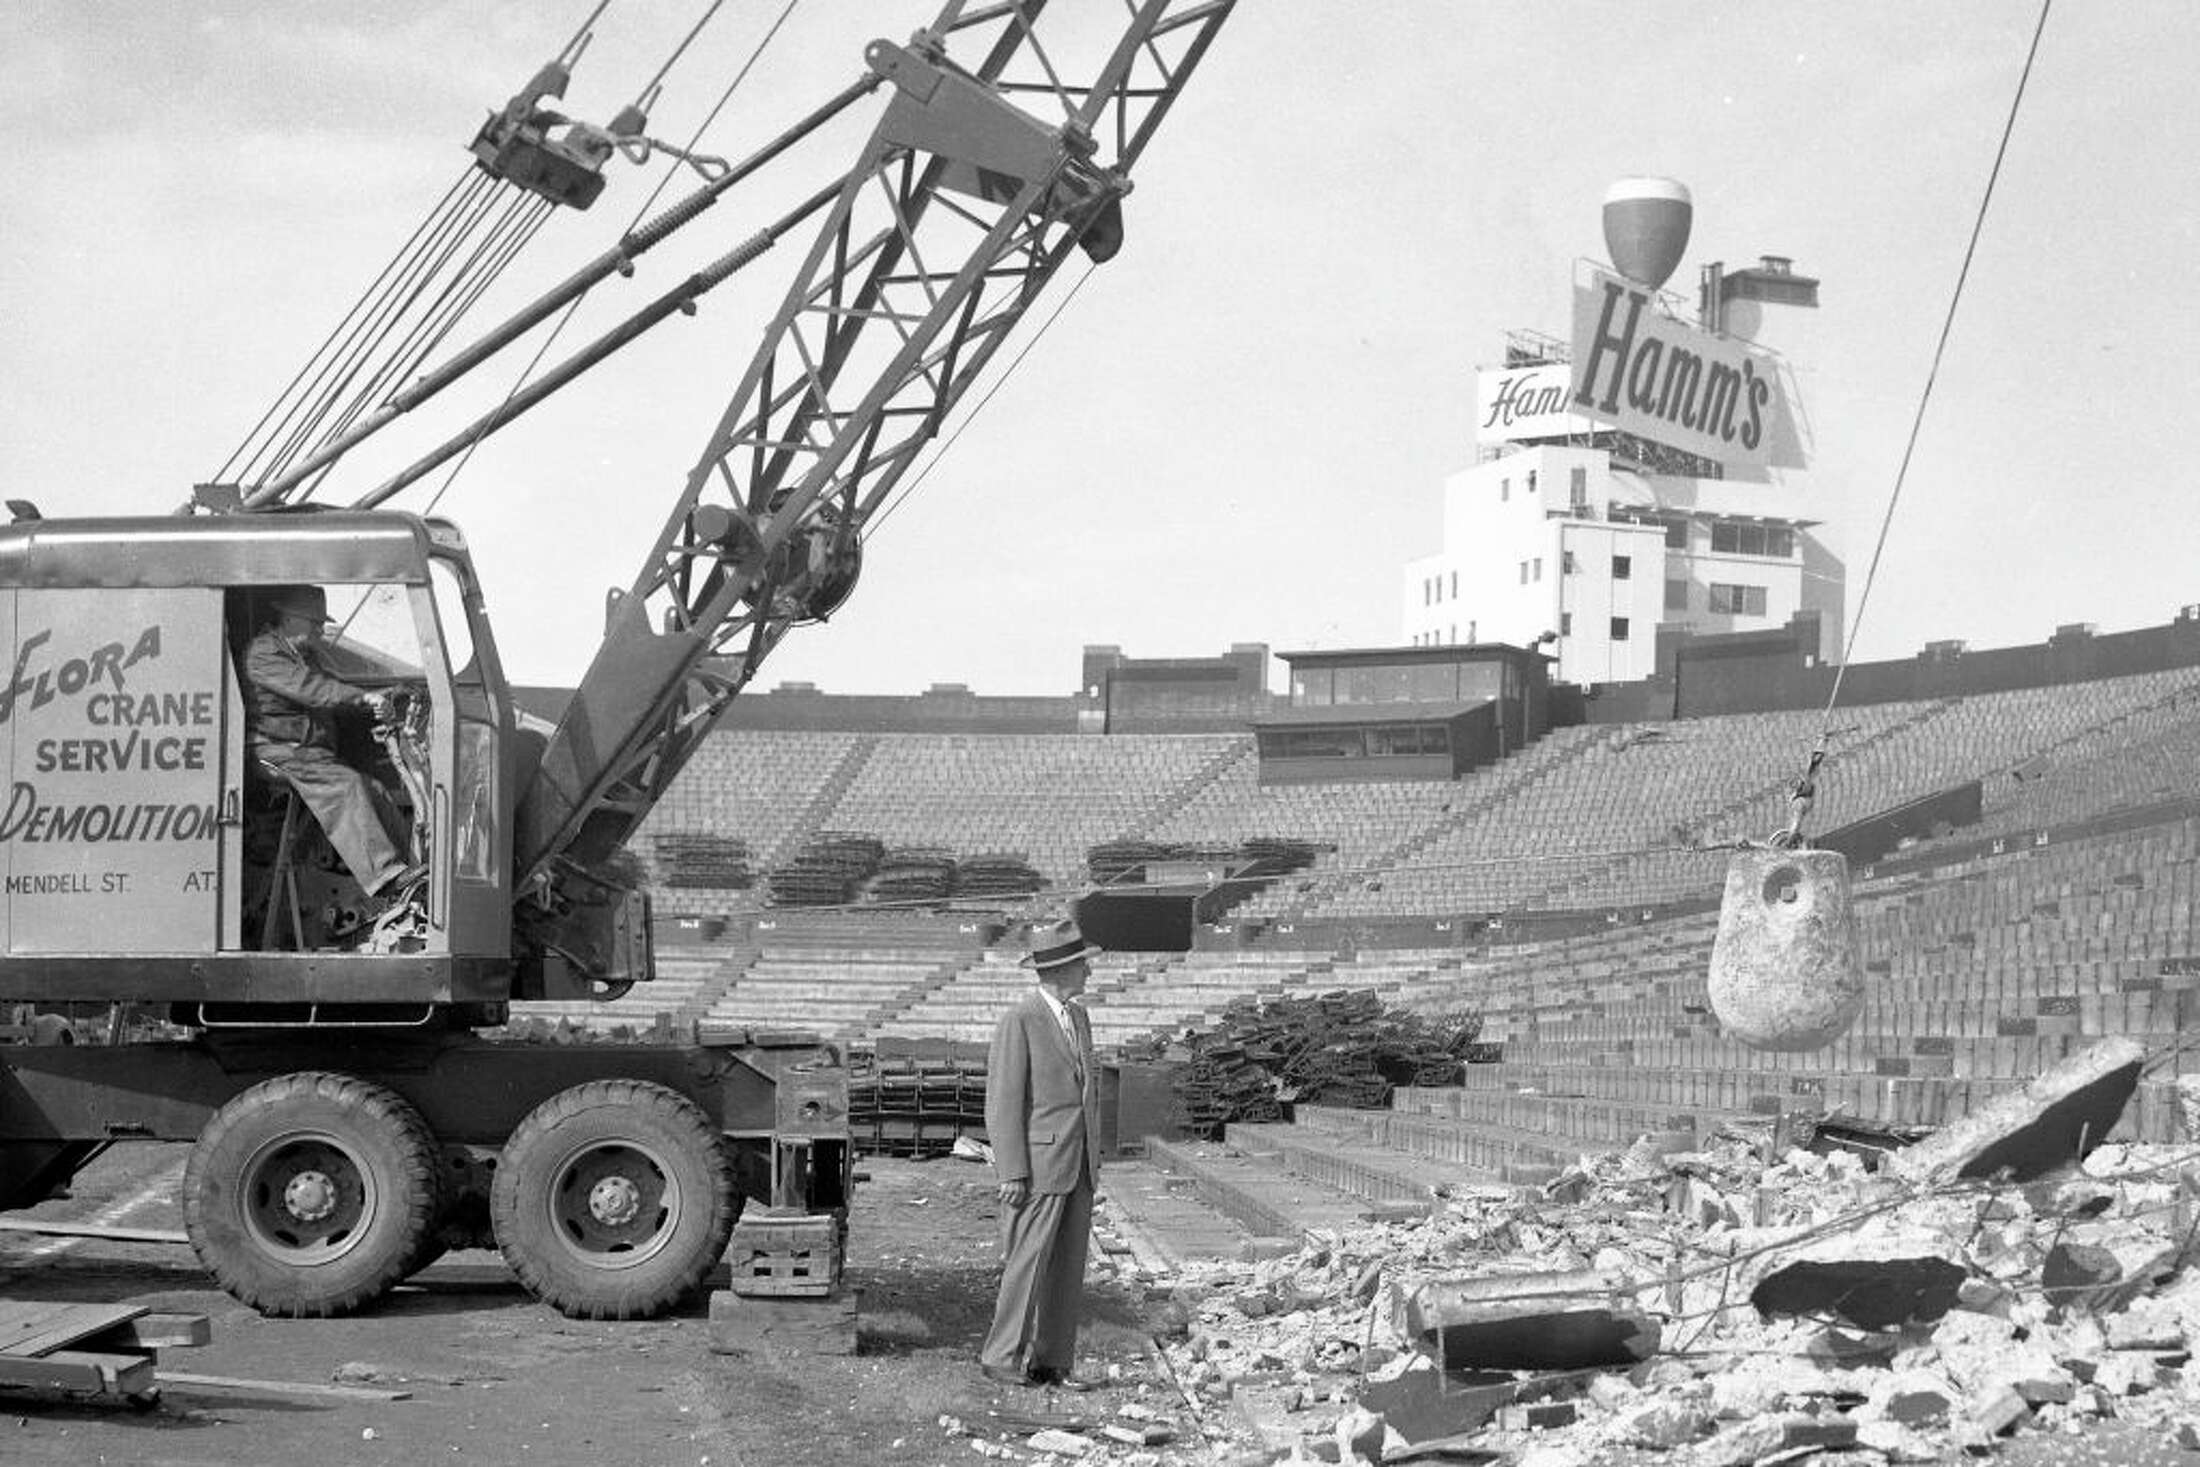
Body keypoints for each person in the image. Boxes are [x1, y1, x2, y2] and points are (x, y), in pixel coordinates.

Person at [979, 915, 1105, 1390]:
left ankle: (1052, 1361)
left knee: (1068, 1269)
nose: (1089, 973)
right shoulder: (1021, 1019)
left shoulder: (1079, 1017)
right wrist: (1010, 1170)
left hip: (1078, 1165)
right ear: (1062, 969)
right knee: (1027, 1263)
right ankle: (1001, 1356)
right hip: (1037, 1167)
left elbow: (1085, 1093)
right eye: (1083, 965)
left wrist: (1094, 1156)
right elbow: (1004, 1100)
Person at [244, 585, 423, 912]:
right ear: (288, 618)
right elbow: (315, 691)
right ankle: (384, 876)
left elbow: (332, 689)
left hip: (308, 754)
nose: (319, 630)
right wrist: (365, 697)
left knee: (377, 790)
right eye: (314, 622)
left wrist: (386, 693)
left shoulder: (303, 656)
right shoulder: (264, 654)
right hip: (277, 750)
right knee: (347, 787)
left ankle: (415, 872)